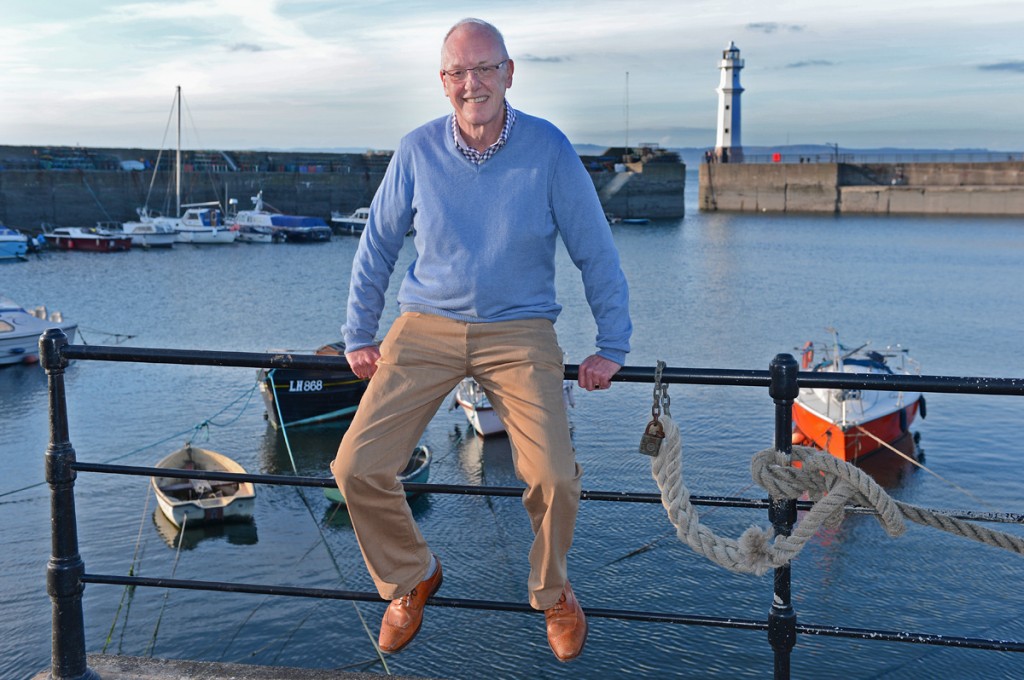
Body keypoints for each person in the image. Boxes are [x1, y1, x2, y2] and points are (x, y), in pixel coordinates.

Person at [330, 17, 631, 663]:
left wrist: (613, 343)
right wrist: (358, 333)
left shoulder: (548, 148)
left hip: (520, 330)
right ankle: (411, 579)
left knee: (552, 474)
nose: (474, 83)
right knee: (356, 467)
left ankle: (554, 594)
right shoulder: (417, 150)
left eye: (487, 68)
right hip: (425, 326)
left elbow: (594, 250)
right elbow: (377, 245)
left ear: (509, 73)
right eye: (460, 72)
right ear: (444, 82)